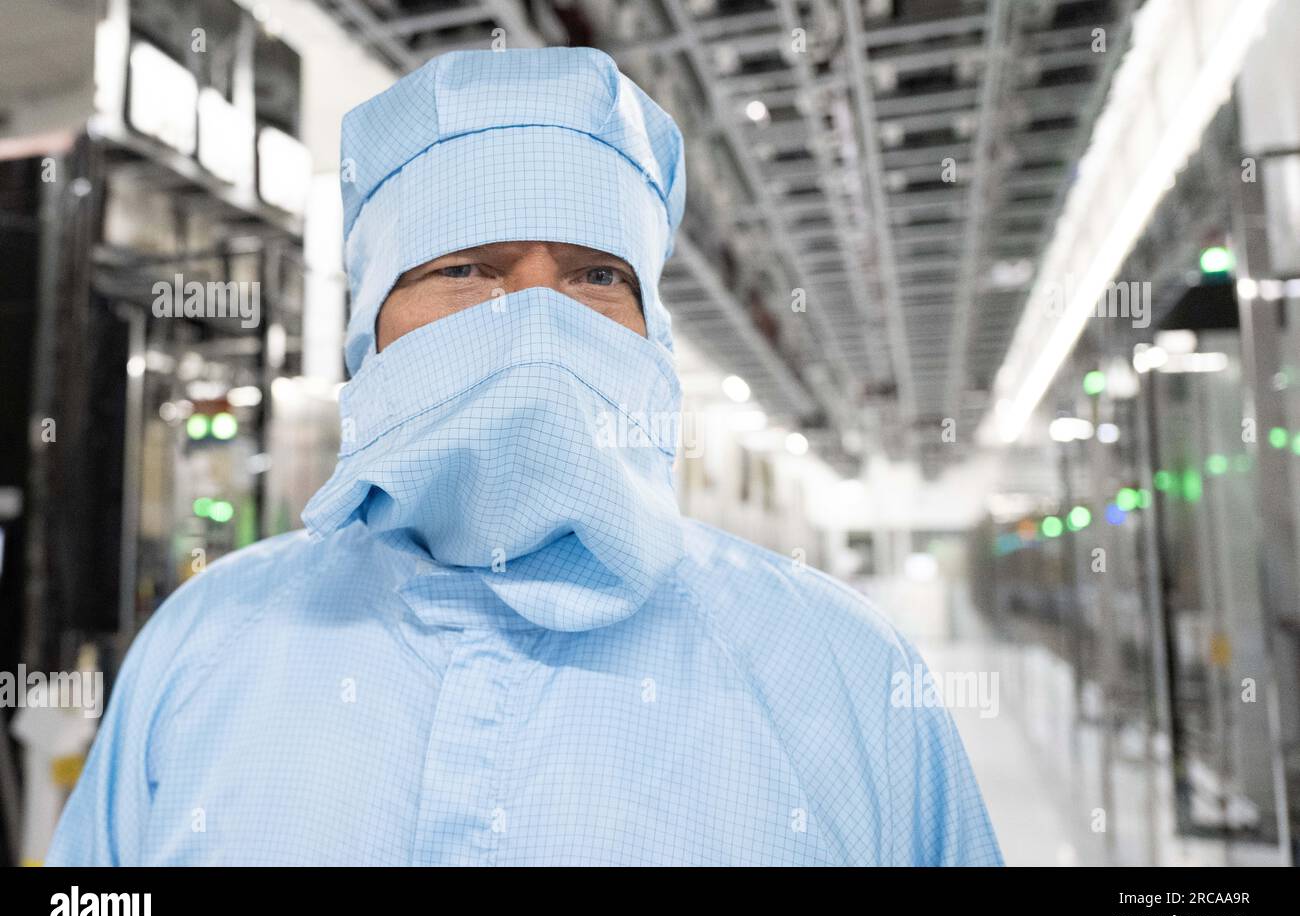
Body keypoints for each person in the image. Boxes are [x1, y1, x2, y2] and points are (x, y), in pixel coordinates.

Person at [46, 47, 1003, 866]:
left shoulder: (841, 672)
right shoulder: (207, 641)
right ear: (369, 333)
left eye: (595, 276)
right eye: (468, 270)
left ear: (651, 337)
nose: (536, 325)